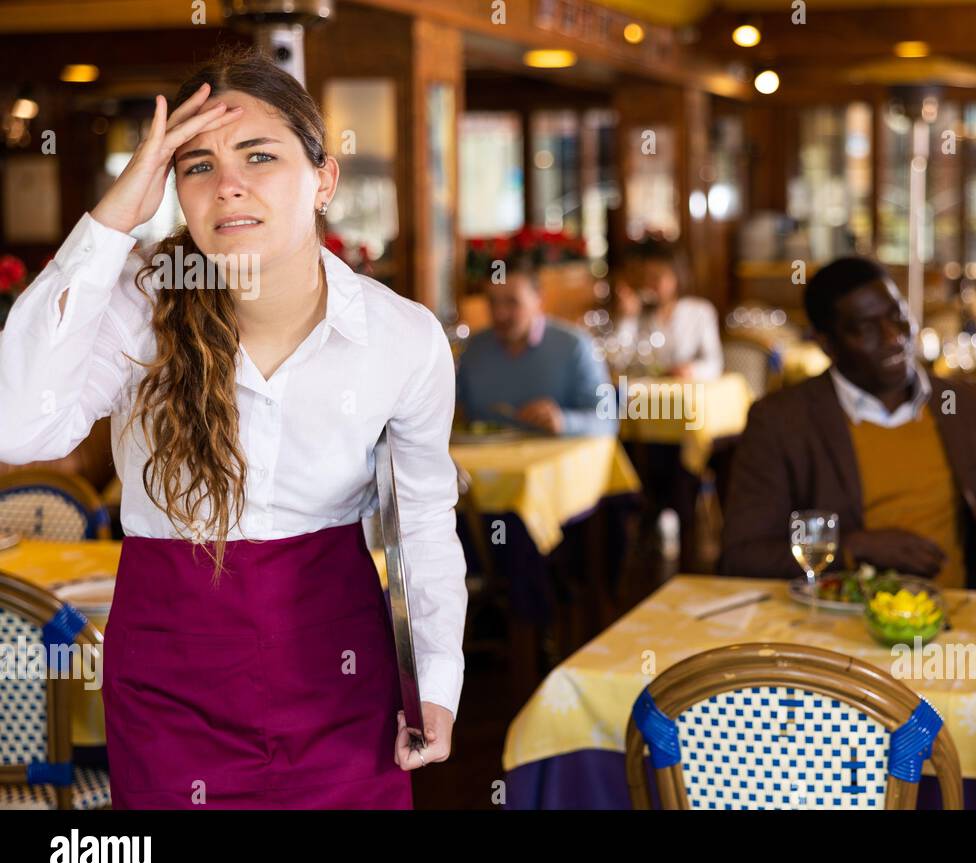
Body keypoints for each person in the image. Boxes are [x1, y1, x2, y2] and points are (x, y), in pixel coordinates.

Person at [0, 49, 467, 808]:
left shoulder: (402, 338)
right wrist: (116, 214)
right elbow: (14, 426)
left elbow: (420, 520)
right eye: (194, 166)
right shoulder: (139, 306)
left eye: (260, 155)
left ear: (323, 178)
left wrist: (437, 681)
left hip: (341, 677)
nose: (228, 185)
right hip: (168, 687)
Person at [719, 256, 976, 589]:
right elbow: (742, 556)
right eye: (866, 328)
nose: (893, 337)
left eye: (898, 316)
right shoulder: (782, 422)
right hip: (840, 625)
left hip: (965, 619)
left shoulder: (966, 405)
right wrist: (854, 547)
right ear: (827, 344)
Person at [456, 255, 616, 437]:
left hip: (555, 462)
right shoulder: (474, 349)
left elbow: (608, 422)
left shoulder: (575, 346)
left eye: (512, 302)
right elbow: (456, 413)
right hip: (481, 462)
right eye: (493, 302)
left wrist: (564, 421)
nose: (500, 314)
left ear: (539, 298)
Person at [612, 241, 723, 381]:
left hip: (685, 393)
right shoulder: (639, 314)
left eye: (656, 277)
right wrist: (627, 318)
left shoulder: (700, 311)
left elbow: (714, 364)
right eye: (646, 276)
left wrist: (691, 370)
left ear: (676, 277)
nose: (649, 283)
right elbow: (619, 362)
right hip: (646, 395)